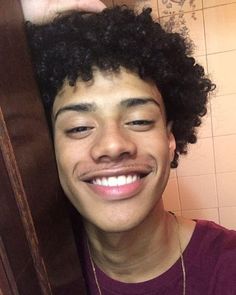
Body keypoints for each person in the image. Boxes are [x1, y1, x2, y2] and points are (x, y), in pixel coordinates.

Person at [25, 2, 236, 294]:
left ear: (170, 139)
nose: (112, 145)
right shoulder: (33, 268)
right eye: (79, 127)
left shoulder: (228, 267)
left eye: (139, 121)